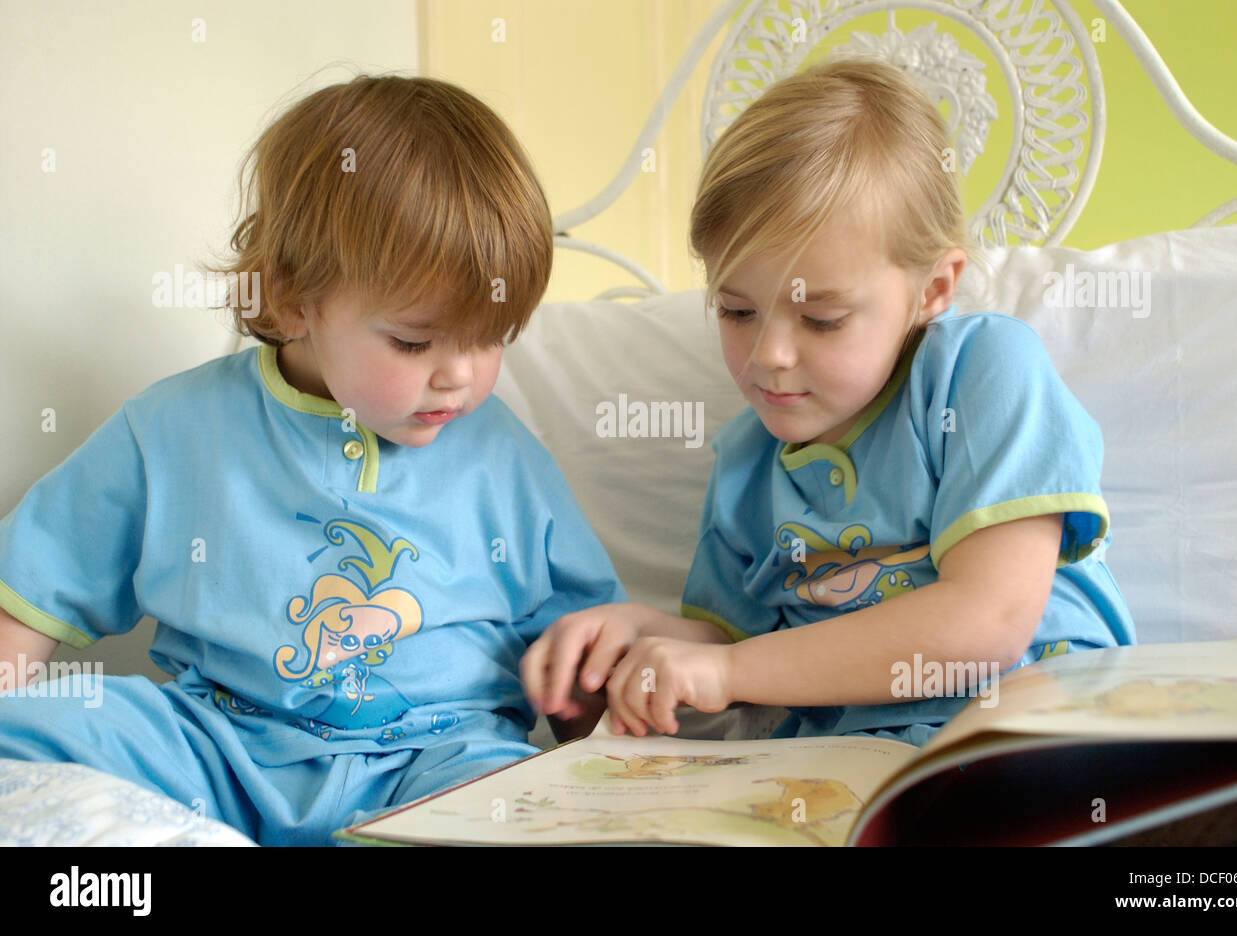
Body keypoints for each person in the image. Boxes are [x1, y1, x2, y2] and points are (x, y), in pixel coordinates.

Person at [0, 74, 624, 845]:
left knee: (527, 801)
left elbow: (589, 649)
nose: (460, 375)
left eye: (490, 338)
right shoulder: (174, 426)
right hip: (214, 747)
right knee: (42, 723)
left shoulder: (506, 459)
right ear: (295, 297)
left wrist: (581, 690)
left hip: (434, 761)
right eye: (415, 340)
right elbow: (37, 578)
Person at [523, 59, 1134, 747]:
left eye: (821, 319)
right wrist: (639, 637)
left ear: (934, 289)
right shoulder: (748, 462)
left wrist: (727, 670)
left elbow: (987, 620)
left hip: (1032, 735)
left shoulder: (981, 371)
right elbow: (735, 647)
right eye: (736, 310)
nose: (769, 355)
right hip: (839, 775)